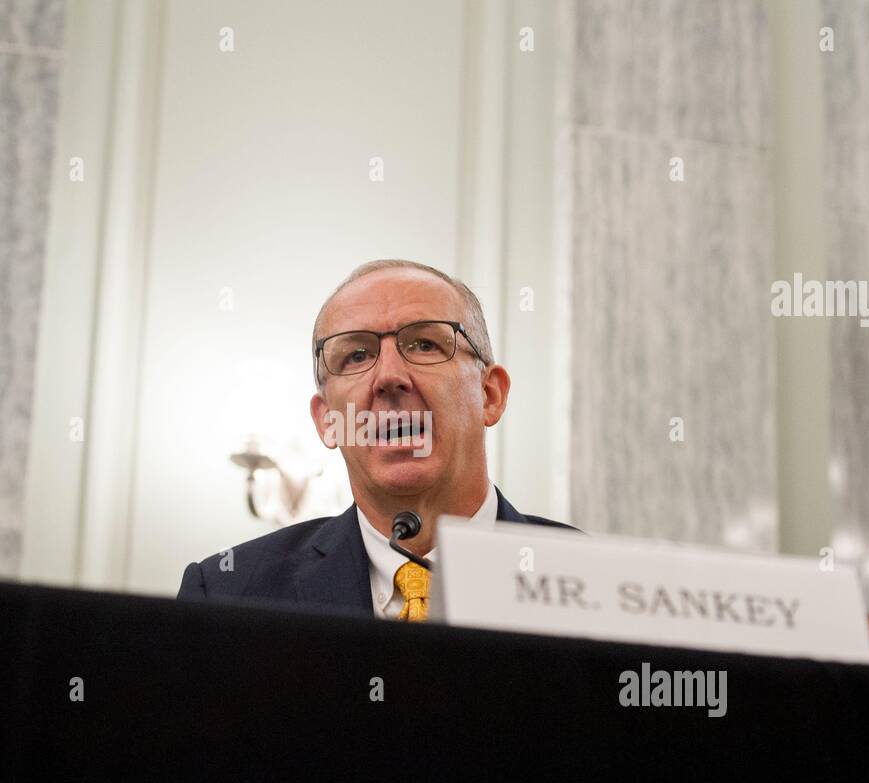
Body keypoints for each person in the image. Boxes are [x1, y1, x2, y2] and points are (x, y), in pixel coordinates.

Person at [178, 259, 577, 620]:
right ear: (328, 421)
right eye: (355, 355)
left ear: (489, 395)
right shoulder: (225, 595)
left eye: (424, 344)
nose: (388, 376)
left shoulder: (592, 582)